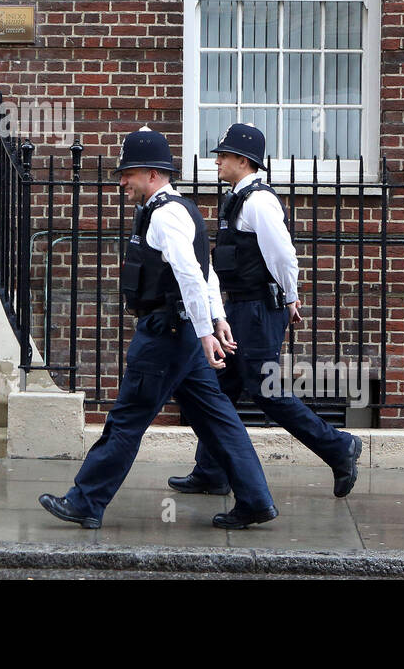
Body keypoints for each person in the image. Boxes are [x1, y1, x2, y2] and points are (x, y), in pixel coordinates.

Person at [38, 127, 278, 530]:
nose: (122, 182)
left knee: (127, 418)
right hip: (182, 335)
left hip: (166, 336)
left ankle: (86, 501)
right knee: (218, 420)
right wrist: (215, 319)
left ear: (151, 173)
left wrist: (206, 330)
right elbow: (207, 273)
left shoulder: (165, 216)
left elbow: (189, 274)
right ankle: (255, 499)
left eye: (127, 173)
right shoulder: (176, 209)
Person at [167, 123, 362, 500]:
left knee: (266, 390)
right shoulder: (237, 198)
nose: (217, 161)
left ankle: (339, 447)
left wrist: (291, 297)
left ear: (244, 160)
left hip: (258, 310)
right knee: (218, 388)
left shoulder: (259, 201)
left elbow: (283, 254)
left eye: (223, 155)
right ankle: (211, 471)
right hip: (241, 308)